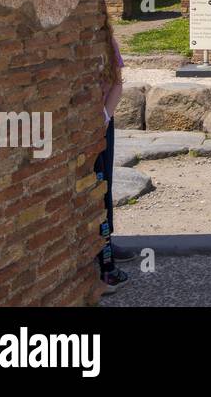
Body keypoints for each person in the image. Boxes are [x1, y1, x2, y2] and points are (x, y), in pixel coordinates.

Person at [96, 30, 131, 291]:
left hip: (100, 125)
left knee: (102, 186)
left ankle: (106, 257)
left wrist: (104, 120)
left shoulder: (106, 41)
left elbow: (117, 83)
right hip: (81, 126)